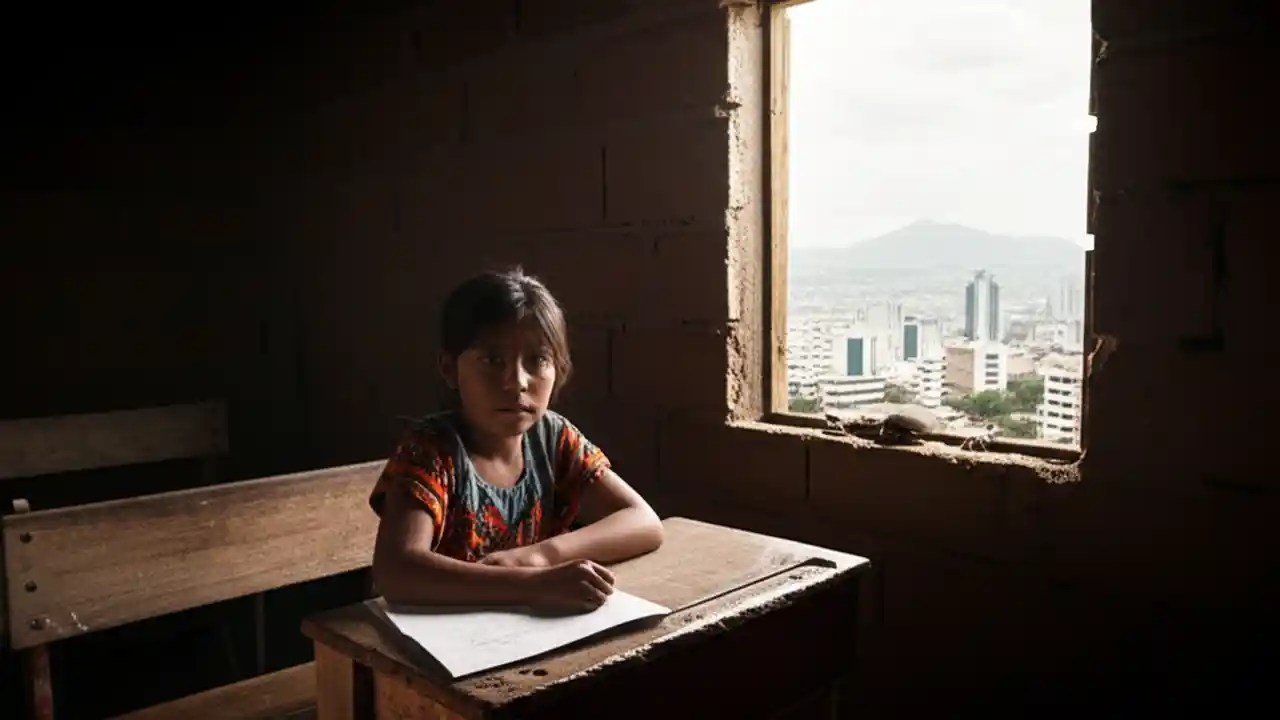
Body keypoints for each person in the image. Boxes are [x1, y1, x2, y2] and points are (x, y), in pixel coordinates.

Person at [369, 268, 664, 613]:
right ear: (449, 368)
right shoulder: (432, 449)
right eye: (493, 360)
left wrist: (540, 556)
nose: (517, 382)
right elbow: (397, 572)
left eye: (538, 360)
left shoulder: (553, 438)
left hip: (519, 636)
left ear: (559, 371)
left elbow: (643, 521)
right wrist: (532, 585)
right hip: (439, 643)